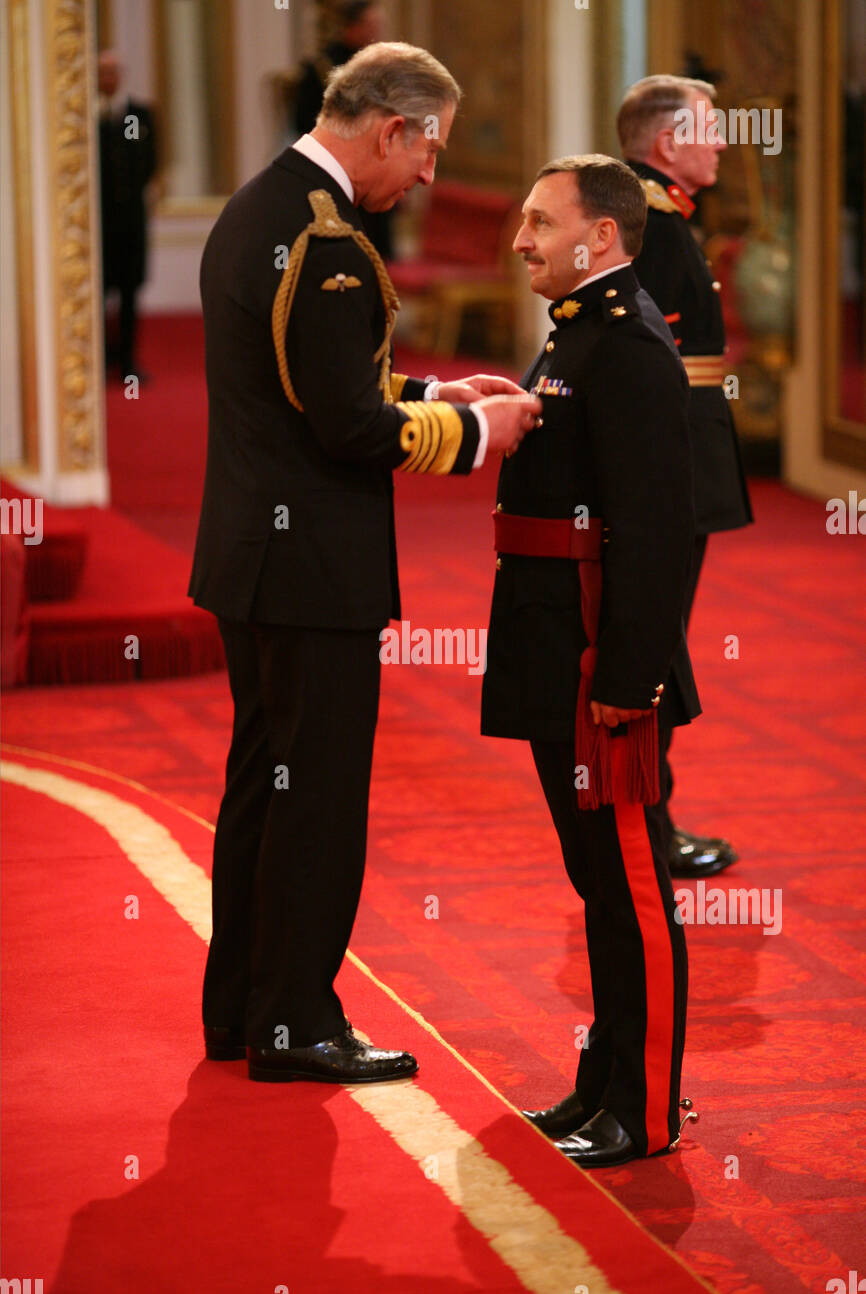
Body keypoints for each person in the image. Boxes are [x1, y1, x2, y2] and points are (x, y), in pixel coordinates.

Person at [188, 42, 540, 1085]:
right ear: (391, 127)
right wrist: (478, 439)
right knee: (317, 798)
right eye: (426, 146)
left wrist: (434, 394)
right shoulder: (326, 241)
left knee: (263, 782)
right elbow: (344, 423)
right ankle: (295, 1022)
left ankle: (242, 1008)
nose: (428, 171)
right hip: (312, 572)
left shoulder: (262, 207)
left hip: (253, 556)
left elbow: (315, 377)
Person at [480, 155, 700, 1167]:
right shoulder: (577, 332)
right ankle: (602, 1081)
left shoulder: (627, 345)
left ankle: (644, 1108)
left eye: (539, 221)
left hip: (595, 662)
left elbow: (660, 530)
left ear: (599, 236)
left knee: (628, 888)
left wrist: (624, 679)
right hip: (551, 638)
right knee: (595, 881)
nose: (520, 238)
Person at [617, 75, 754, 878]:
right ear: (668, 144)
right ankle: (651, 828)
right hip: (671, 457)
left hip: (677, 449)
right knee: (656, 650)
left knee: (658, 645)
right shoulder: (656, 222)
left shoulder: (654, 211)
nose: (725, 143)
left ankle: (648, 820)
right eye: (711, 129)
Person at [293, 1, 393, 260]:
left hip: (375, 172)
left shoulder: (381, 69)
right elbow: (304, 122)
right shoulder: (322, 68)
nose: (378, 32)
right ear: (354, 26)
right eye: (373, 25)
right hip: (334, 175)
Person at [97, 51, 157, 380]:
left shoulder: (136, 117)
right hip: (97, 226)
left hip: (130, 222)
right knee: (99, 293)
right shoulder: (84, 119)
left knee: (129, 293)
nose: (107, 78)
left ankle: (128, 361)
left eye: (111, 72)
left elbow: (145, 162)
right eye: (101, 72)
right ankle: (102, 357)